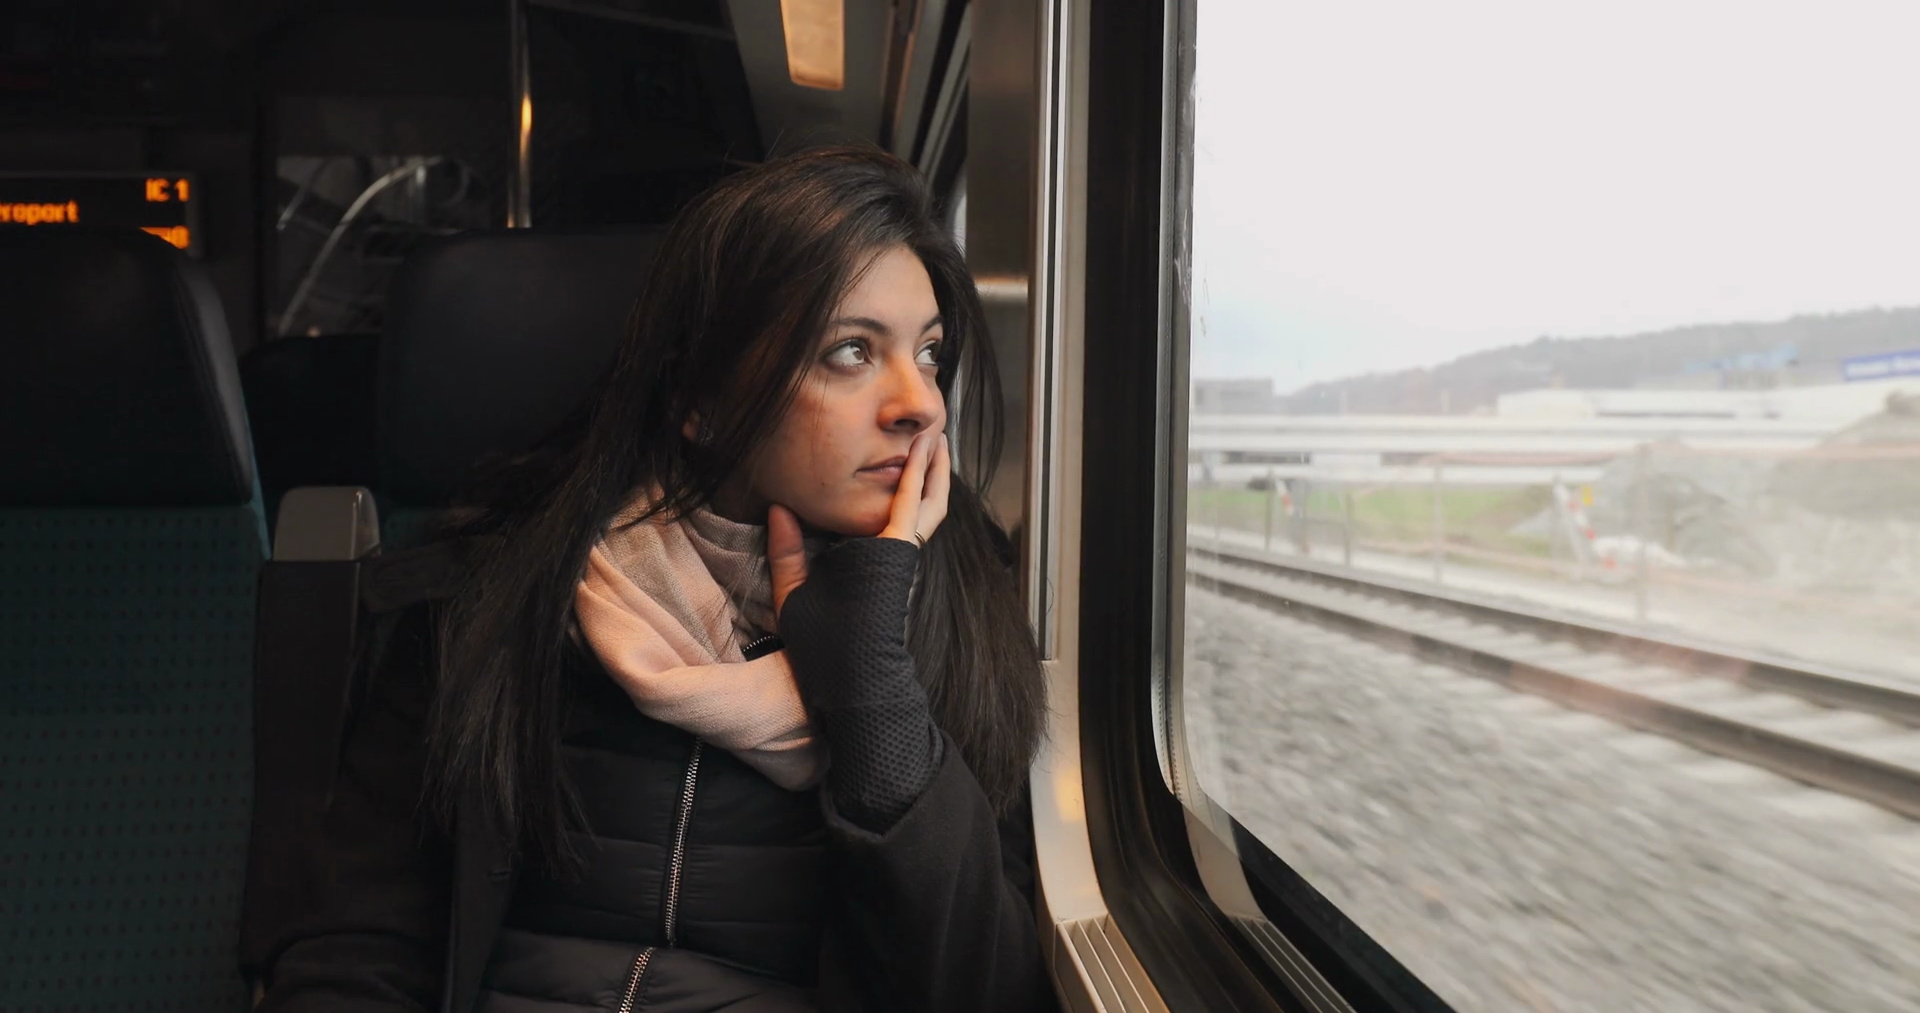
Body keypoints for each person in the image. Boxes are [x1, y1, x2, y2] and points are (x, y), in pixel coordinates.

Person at [259, 148, 1054, 1012]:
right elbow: (359, 949)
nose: (920, 404)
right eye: (851, 351)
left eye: (929, 352)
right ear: (699, 401)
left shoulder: (968, 618)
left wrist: (870, 682)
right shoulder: (493, 597)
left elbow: (988, 990)